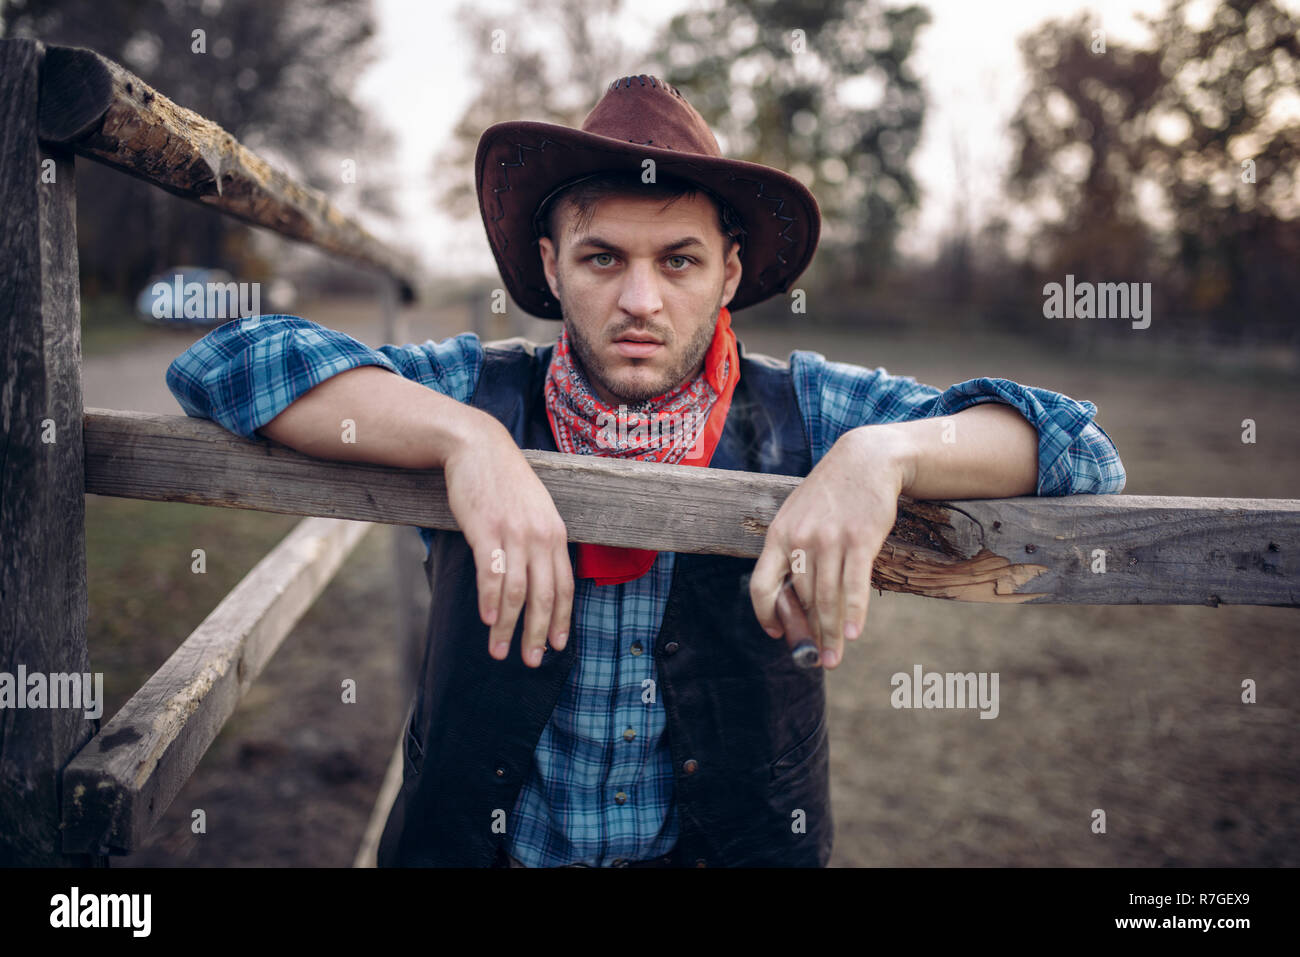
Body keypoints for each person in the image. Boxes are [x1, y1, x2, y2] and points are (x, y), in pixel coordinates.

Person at [165, 74, 1126, 868]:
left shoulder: (812, 407)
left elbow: (1080, 453)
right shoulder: (476, 391)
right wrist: (470, 443)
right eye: (601, 257)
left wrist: (888, 451)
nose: (638, 299)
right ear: (549, 268)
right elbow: (226, 363)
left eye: (678, 261)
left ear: (730, 272)